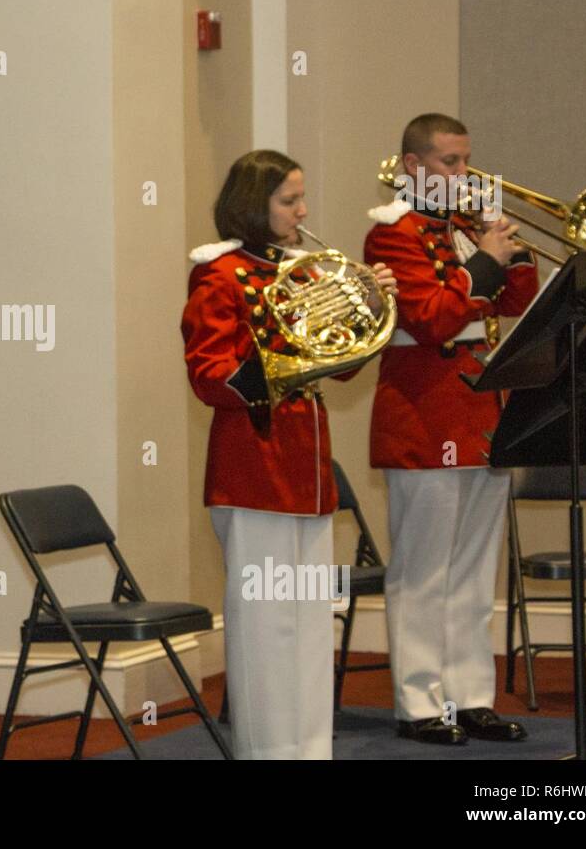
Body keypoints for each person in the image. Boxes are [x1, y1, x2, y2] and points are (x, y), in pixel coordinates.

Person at [182, 149, 395, 759]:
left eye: (302, 198)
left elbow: (346, 368)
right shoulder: (219, 275)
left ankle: (309, 750)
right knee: (267, 627)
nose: (303, 211)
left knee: (307, 626)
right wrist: (285, 360)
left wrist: (370, 307)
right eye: (288, 201)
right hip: (252, 463)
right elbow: (209, 373)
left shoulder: (300, 270)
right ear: (254, 205)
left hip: (305, 462)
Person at [363, 113, 538, 745]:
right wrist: (486, 264)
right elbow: (432, 320)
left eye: (466, 160)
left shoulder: (466, 229)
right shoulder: (393, 235)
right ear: (413, 166)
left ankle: (468, 696)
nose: (466, 174)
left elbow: (516, 306)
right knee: (423, 569)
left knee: (473, 566)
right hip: (425, 411)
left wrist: (509, 252)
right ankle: (418, 702)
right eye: (450, 162)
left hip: (484, 411)